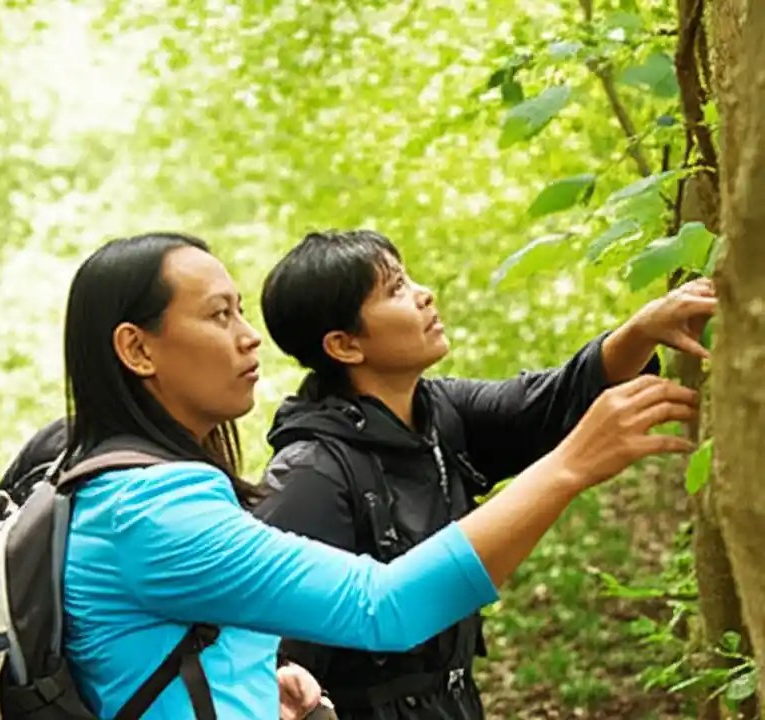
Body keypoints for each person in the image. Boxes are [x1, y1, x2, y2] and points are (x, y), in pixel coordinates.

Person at [57, 232, 697, 719]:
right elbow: (381, 606)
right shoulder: (156, 510)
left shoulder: (154, 489)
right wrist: (571, 466)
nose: (250, 339)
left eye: (242, 312)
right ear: (137, 349)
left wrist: (259, 681)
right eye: (221, 316)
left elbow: (539, 403)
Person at [252, 229, 718, 719]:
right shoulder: (310, 476)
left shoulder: (436, 412)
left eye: (408, 278)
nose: (423, 293)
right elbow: (270, 665)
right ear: (344, 345)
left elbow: (551, 403)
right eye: (395, 290)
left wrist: (642, 330)